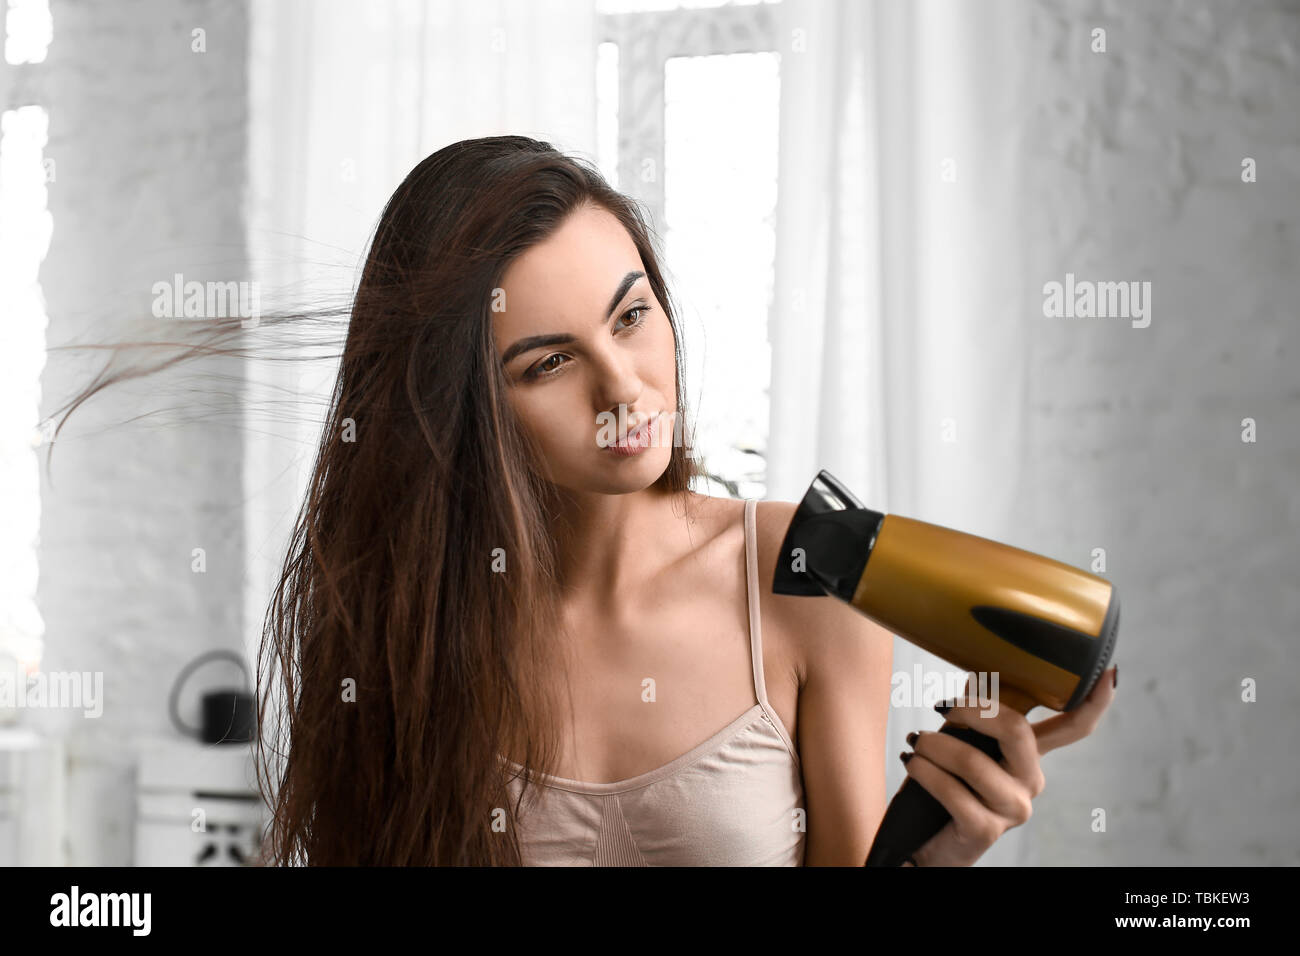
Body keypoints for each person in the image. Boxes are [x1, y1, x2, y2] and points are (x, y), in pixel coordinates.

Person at [49, 135, 1116, 866]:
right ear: (460, 406)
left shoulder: (797, 573)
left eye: (633, 315)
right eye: (549, 362)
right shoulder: (409, 620)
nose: (625, 386)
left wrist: (943, 843)